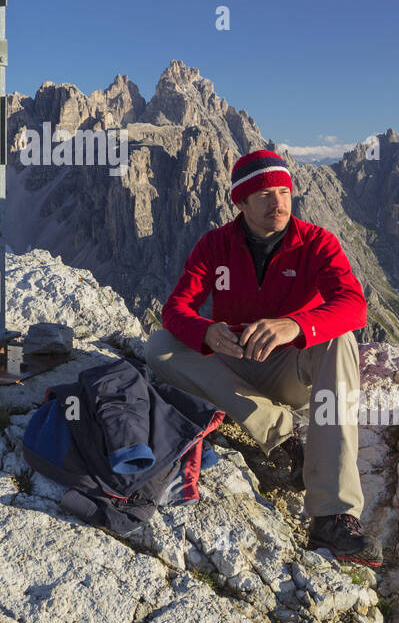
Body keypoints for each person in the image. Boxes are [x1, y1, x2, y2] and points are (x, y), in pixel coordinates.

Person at [145, 149, 382, 567]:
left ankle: (333, 514)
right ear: (241, 202)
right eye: (266, 195)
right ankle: (280, 435)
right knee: (158, 345)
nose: (279, 203)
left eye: (284, 192)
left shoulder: (316, 242)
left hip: (291, 368)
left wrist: (295, 325)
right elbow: (176, 309)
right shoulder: (215, 245)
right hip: (233, 359)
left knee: (340, 340)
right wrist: (206, 332)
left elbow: (353, 305)